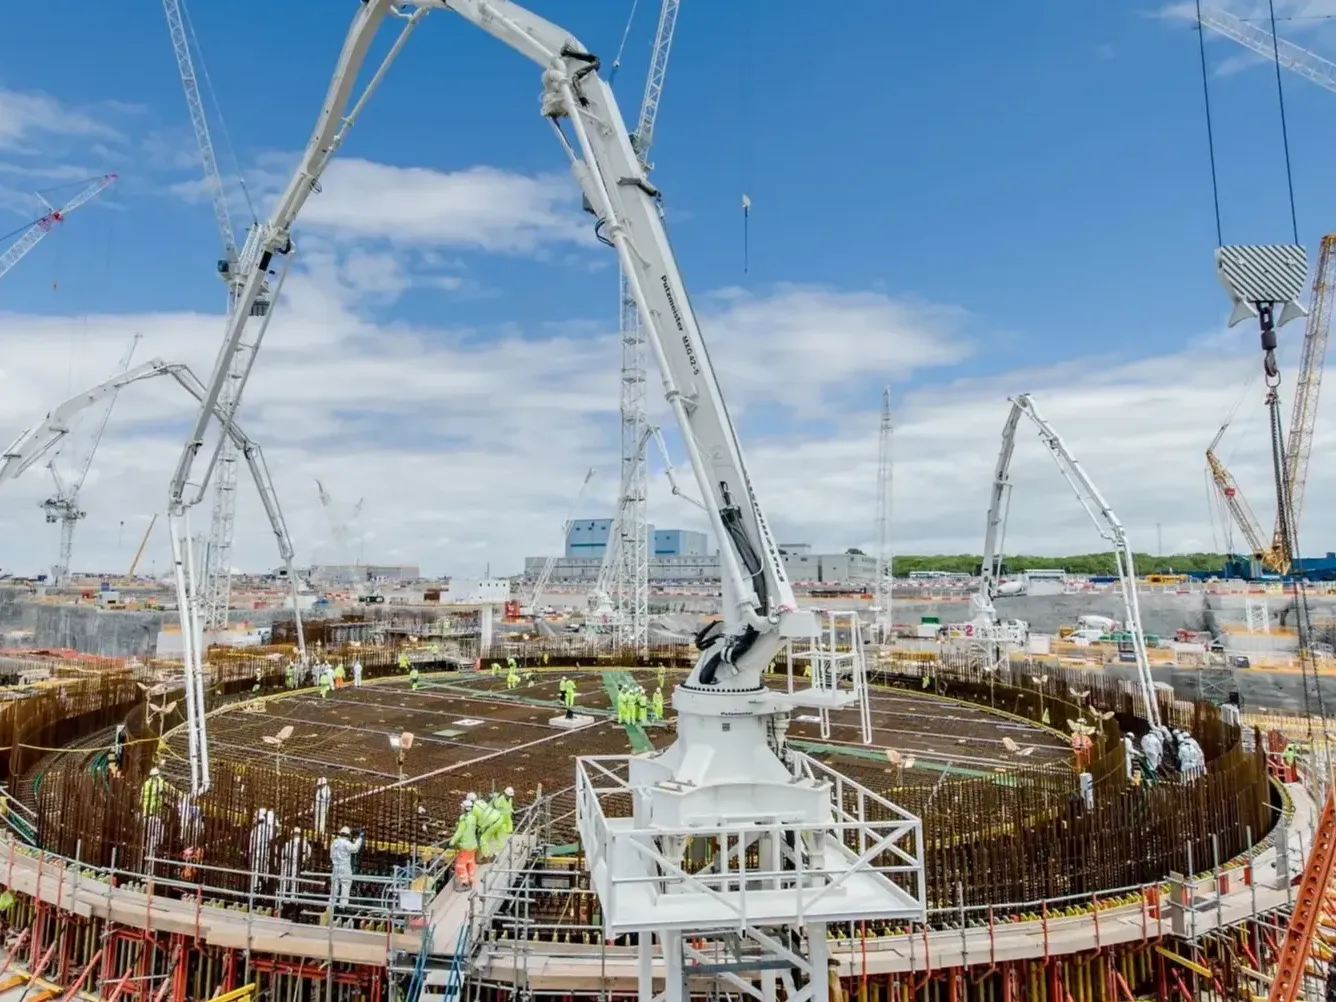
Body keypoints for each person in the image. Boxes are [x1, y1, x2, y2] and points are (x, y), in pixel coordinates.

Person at [328, 826, 364, 909]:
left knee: (334, 886)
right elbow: (355, 849)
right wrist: (360, 838)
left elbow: (331, 855)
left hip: (336, 867)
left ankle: (331, 905)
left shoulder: (334, 843)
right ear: (348, 835)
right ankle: (343, 906)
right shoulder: (346, 843)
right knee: (345, 885)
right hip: (345, 868)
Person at [278, 827, 311, 906]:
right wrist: (303, 859)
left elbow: (283, 855)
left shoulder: (289, 843)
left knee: (286, 881)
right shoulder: (303, 843)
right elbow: (308, 853)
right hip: (294, 864)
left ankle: (284, 899)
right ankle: (292, 900)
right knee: (293, 882)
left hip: (290, 863)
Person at [450, 799, 479, 888]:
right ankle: (471, 879)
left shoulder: (464, 819)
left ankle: (464, 882)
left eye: (462, 807)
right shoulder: (473, 818)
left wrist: (451, 842)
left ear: (465, 809)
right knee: (471, 863)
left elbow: (459, 832)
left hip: (465, 846)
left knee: (460, 865)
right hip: (473, 845)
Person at [248, 808, 274, 896]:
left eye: (255, 817)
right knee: (263, 876)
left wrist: (250, 857)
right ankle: (261, 894)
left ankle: (255, 895)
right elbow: (271, 840)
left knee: (255, 876)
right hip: (264, 855)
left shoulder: (254, 830)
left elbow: (251, 847)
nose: (253, 819)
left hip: (256, 855)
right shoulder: (268, 829)